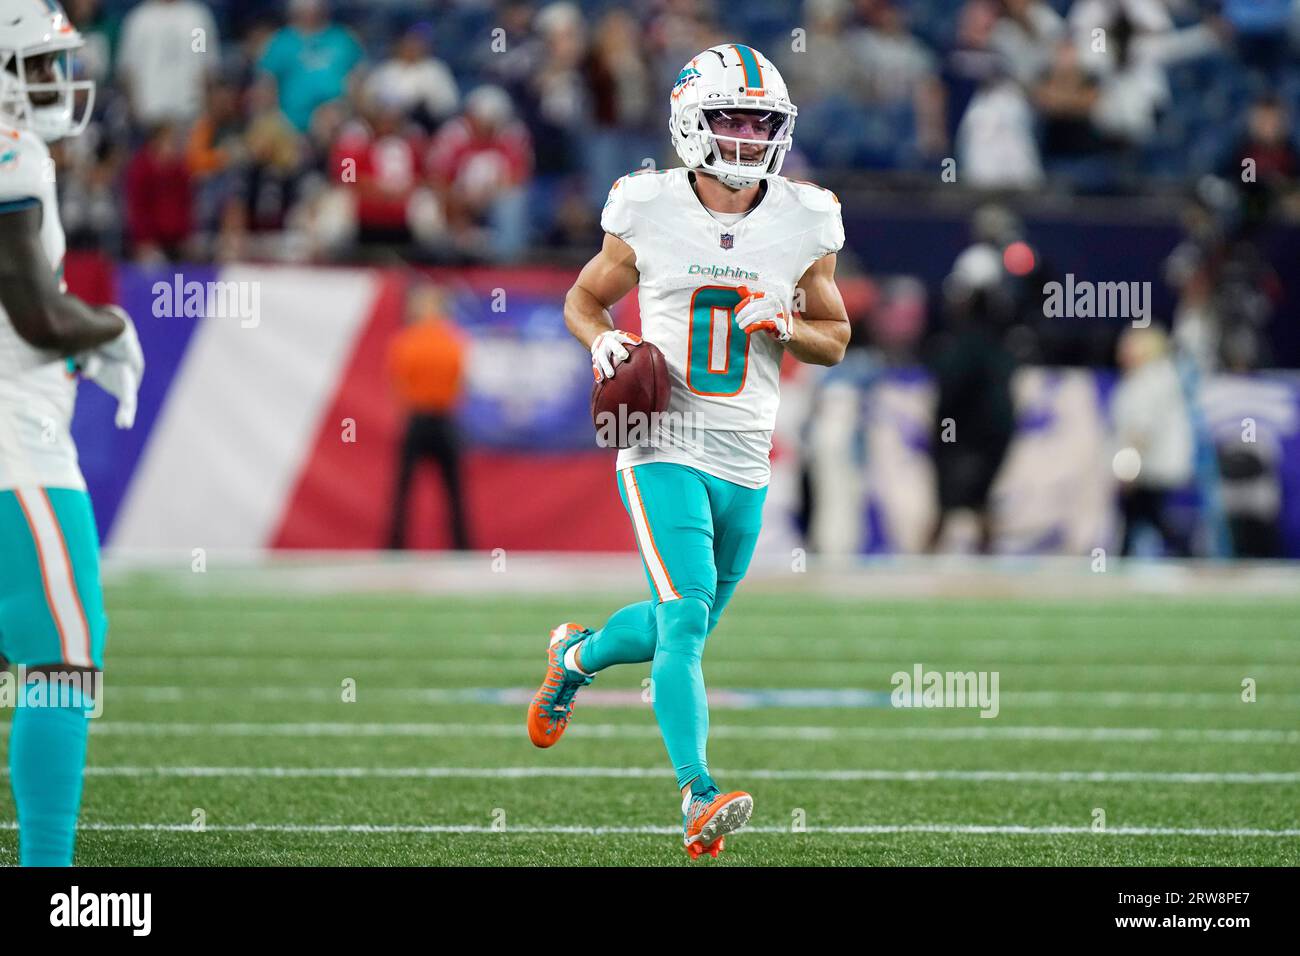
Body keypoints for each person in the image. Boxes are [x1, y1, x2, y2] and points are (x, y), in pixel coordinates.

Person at [526, 44, 849, 858]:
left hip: (748, 455)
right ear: (689, 123)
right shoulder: (647, 204)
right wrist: (602, 344)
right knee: (683, 618)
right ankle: (697, 794)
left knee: (688, 627)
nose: (745, 138)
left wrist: (788, 325)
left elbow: (836, 337)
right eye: (730, 120)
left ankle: (575, 656)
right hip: (661, 437)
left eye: (760, 123)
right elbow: (583, 298)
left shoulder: (807, 217)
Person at [0, 0, 145, 866]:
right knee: (61, 662)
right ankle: (49, 886)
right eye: (39, 66)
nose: (57, 84)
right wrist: (107, 329)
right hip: (18, 455)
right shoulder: (13, 154)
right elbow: (39, 312)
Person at [386, 286, 469, 551]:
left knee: (405, 489)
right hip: (442, 419)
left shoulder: (406, 341)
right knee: (453, 491)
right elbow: (460, 382)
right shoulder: (454, 341)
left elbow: (398, 382)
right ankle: (462, 547)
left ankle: (395, 547)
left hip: (420, 419)